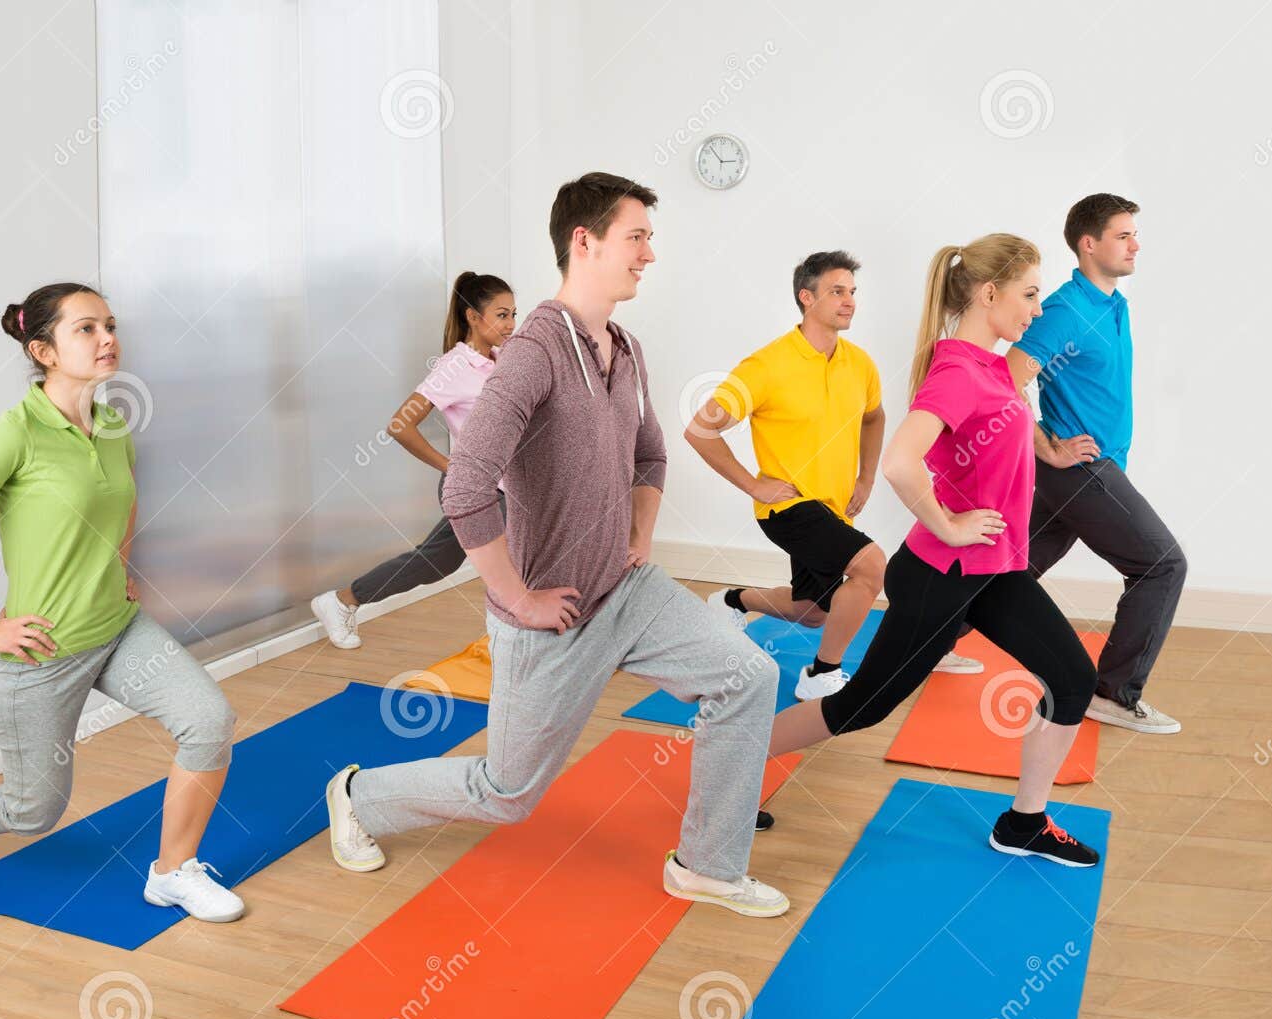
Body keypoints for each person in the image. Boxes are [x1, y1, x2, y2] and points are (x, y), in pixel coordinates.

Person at [322, 172, 790, 916]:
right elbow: (465, 488)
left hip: (626, 589)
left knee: (748, 676)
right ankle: (359, 794)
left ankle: (707, 867)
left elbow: (650, 455)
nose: (649, 254)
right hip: (553, 614)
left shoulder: (625, 348)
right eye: (637, 237)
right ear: (585, 241)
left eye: (648, 238)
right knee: (506, 793)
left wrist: (639, 536)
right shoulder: (533, 352)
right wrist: (516, 597)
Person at [0, 283, 245, 921]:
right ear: (44, 351)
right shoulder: (14, 434)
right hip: (44, 652)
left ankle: (172, 872)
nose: (107, 338)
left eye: (110, 325)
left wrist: (121, 564)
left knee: (209, 720)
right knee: (31, 811)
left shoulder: (112, 423)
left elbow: (123, 498)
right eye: (86, 328)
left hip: (117, 629)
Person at [767, 235, 1102, 868]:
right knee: (861, 706)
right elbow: (901, 460)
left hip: (994, 570)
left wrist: (1051, 450)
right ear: (989, 294)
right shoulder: (957, 372)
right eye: (1030, 295)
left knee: (1072, 678)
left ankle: (1024, 823)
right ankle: (731, 753)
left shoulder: (991, 367)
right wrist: (947, 525)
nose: (1038, 309)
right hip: (942, 574)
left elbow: (1003, 432)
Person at [685, 250, 981, 700]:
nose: (849, 301)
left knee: (810, 612)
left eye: (852, 291)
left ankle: (730, 600)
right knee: (872, 567)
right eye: (837, 291)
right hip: (787, 506)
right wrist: (752, 484)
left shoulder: (859, 364)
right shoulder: (765, 366)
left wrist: (866, 479)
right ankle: (822, 674)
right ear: (806, 297)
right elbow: (699, 430)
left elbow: (874, 418)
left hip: (834, 509)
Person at [1008, 193, 1185, 733]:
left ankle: (931, 636)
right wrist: (1046, 446)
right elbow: (1007, 379)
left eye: (1135, 234)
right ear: (1089, 244)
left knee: (1011, 569)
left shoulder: (1112, 304)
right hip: (1082, 472)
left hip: (1091, 471)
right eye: (1123, 235)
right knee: (1161, 565)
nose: (1136, 245)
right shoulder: (1065, 310)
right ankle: (1112, 694)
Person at [311, 273, 517, 648]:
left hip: (508, 485)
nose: (510, 324)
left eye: (513, 315)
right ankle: (528, 643)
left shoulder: (502, 359)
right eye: (501, 315)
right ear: (473, 317)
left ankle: (342, 600)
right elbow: (400, 424)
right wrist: (451, 466)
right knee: (515, 559)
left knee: (436, 563)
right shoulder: (455, 367)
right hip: (476, 489)